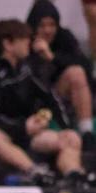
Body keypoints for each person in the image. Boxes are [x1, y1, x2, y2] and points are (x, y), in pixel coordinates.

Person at [0, 19, 83, 182]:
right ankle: (35, 172)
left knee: (70, 137)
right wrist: (22, 127)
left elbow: (50, 97)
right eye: (23, 39)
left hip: (25, 134)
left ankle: (74, 175)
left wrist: (64, 126)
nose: (28, 43)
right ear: (8, 44)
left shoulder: (28, 69)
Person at [27, 2, 93, 144]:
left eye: (52, 25)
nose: (47, 30)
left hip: (62, 95)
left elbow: (84, 65)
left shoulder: (64, 37)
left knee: (76, 73)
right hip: (36, 101)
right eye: (42, 26)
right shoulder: (24, 41)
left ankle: (87, 133)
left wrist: (52, 57)